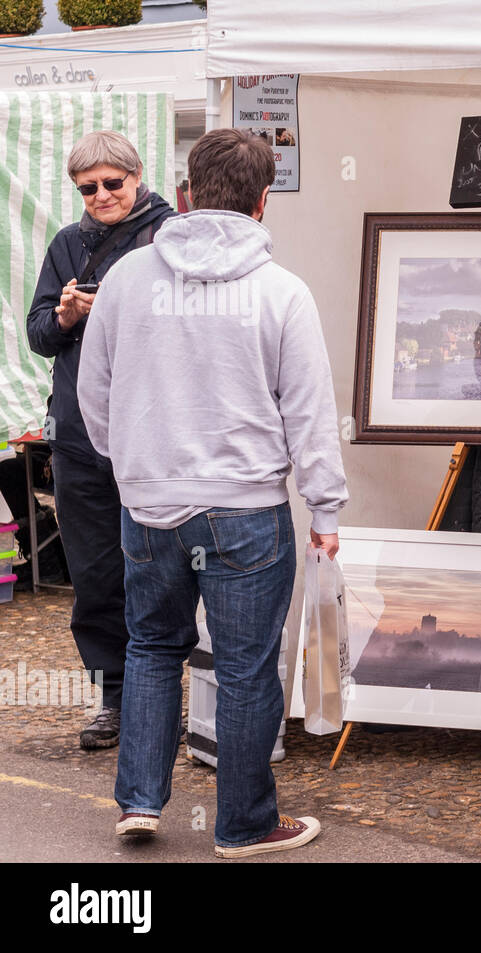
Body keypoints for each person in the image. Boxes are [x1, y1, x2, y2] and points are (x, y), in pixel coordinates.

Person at [77, 128, 348, 858]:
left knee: (152, 646)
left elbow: (91, 392)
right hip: (246, 507)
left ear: (187, 193)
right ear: (264, 202)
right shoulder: (281, 290)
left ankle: (139, 799)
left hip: (150, 503)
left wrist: (132, 462)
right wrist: (325, 507)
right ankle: (245, 823)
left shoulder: (129, 280)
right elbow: (310, 411)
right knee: (245, 665)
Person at [25, 131, 176, 749]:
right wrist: (64, 316)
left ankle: (162, 697)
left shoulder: (168, 236)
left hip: (151, 433)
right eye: (89, 188)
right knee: (94, 575)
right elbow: (36, 333)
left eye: (113, 183)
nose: (102, 196)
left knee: (162, 572)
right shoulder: (68, 243)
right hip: (81, 439)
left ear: (137, 177)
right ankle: (114, 700)